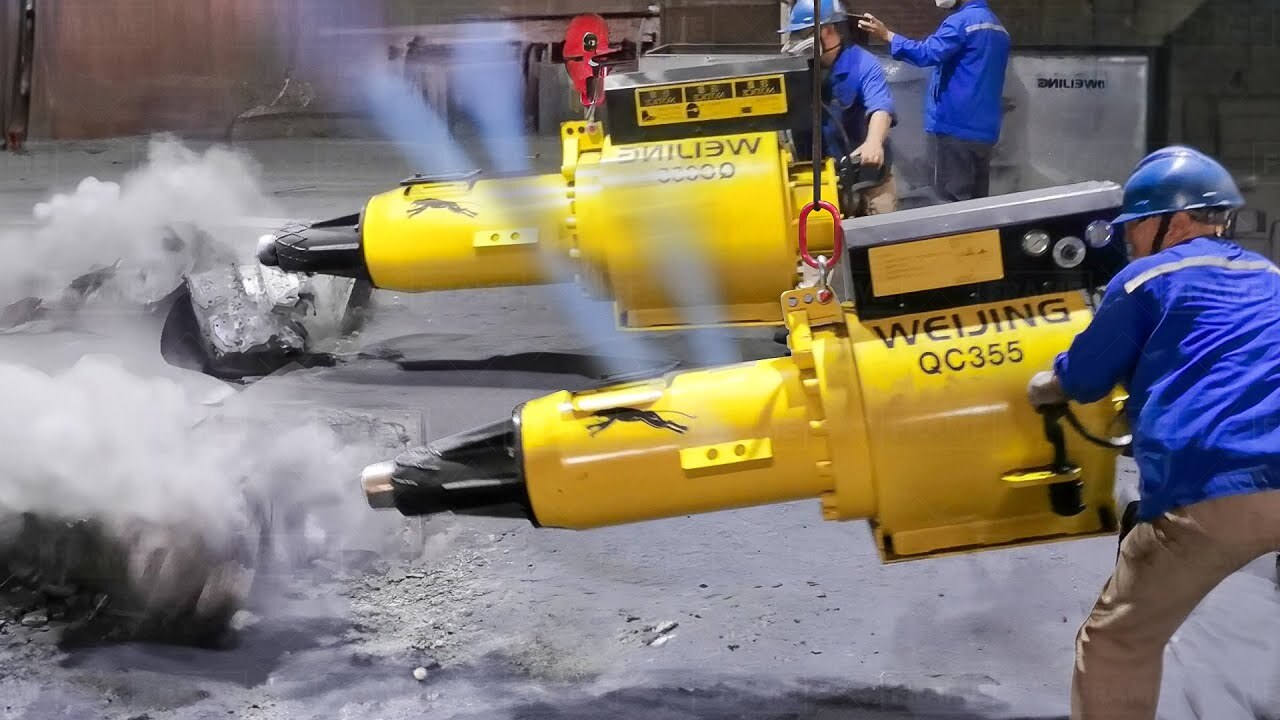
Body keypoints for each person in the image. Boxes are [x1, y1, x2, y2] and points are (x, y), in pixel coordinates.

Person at [1025, 146, 1280, 720]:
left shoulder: (1146, 279)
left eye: (1136, 224)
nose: (1129, 239)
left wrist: (1051, 382)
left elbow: (1088, 377)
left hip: (1215, 485)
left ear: (1178, 221)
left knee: (1119, 642)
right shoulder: (1270, 276)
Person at [858, 1, 1010, 202]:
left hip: (956, 128)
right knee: (977, 203)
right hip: (984, 131)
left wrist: (887, 35)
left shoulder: (961, 22)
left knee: (952, 203)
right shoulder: (998, 27)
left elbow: (927, 53)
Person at [781, 0, 898, 216]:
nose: (796, 42)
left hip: (865, 172)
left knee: (881, 225)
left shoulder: (863, 64)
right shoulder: (796, 70)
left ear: (827, 31)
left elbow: (880, 107)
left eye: (803, 34)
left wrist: (873, 142)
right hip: (817, 178)